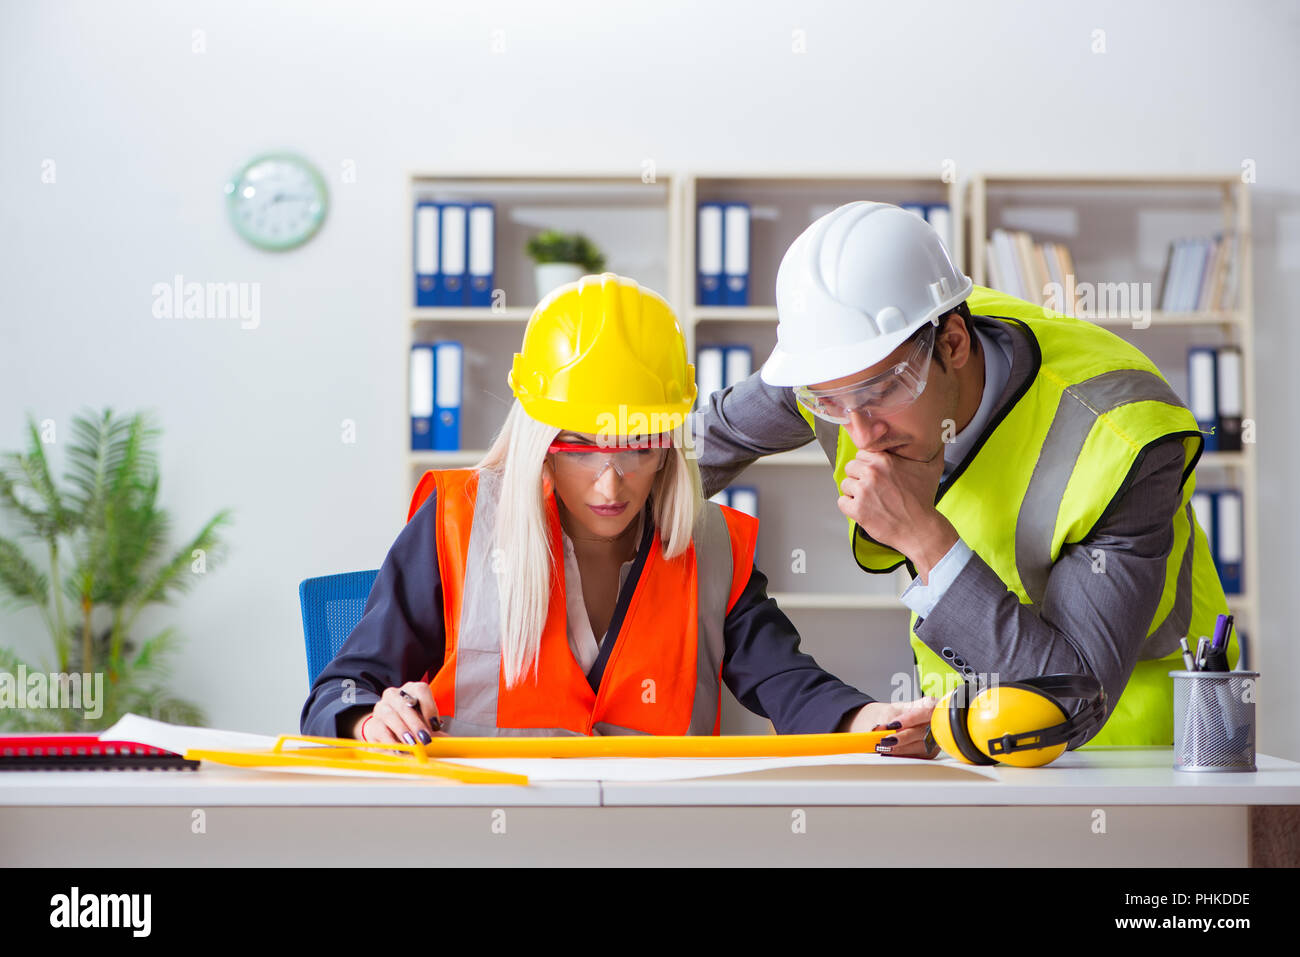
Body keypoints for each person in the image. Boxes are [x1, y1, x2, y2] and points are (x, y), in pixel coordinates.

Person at [300, 272, 937, 753]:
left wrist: (867, 719)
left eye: (639, 445)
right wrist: (369, 716)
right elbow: (339, 693)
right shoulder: (456, 523)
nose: (612, 482)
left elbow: (788, 683)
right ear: (541, 446)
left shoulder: (709, 547)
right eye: (581, 447)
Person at [691, 202, 1236, 747]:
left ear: (953, 342)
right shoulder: (846, 362)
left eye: (882, 393)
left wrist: (925, 538)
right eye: (829, 403)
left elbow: (1071, 702)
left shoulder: (1125, 439)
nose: (860, 433)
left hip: (1138, 742)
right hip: (960, 717)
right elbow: (687, 451)